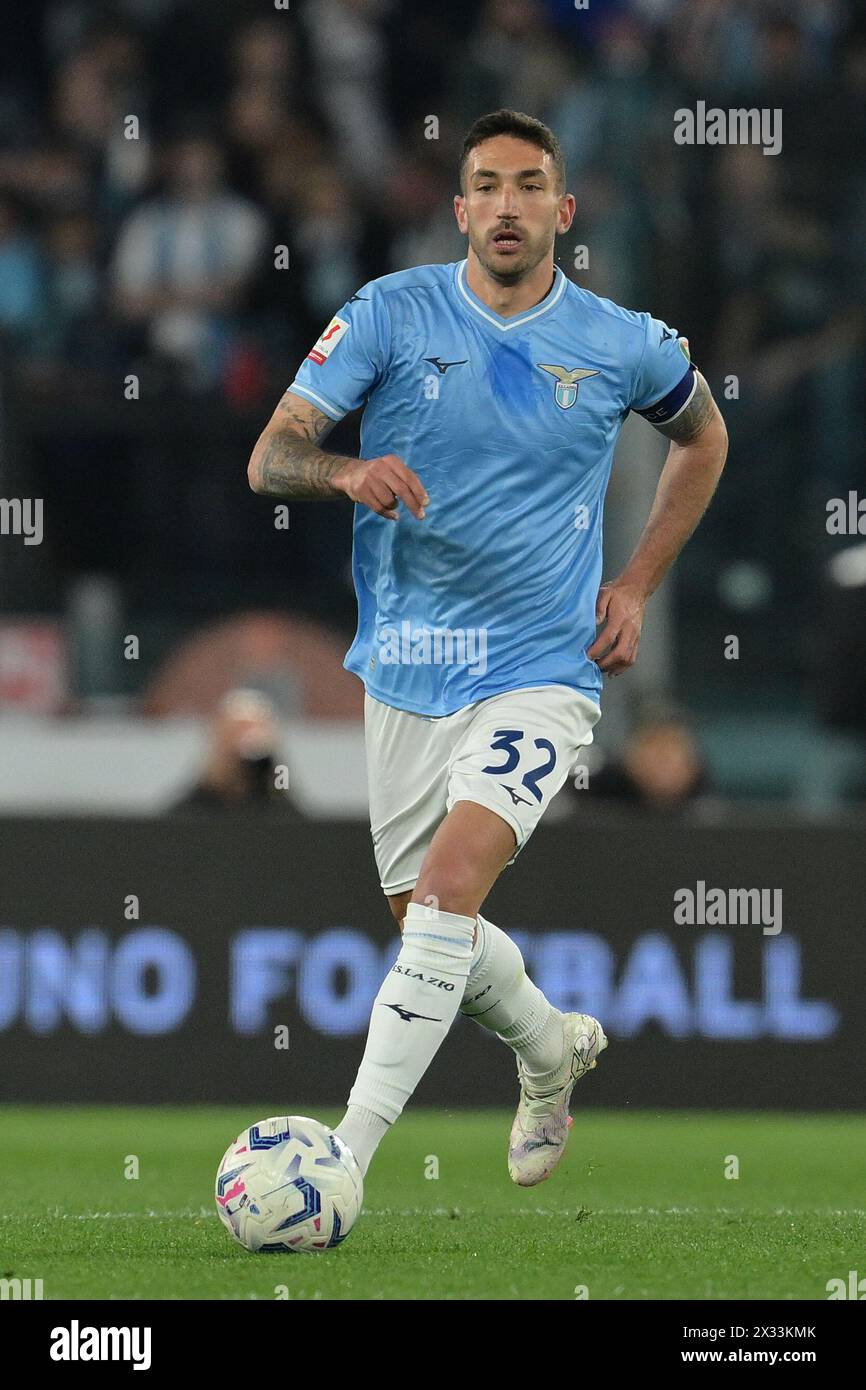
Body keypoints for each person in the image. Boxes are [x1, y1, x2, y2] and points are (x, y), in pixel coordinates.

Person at [247, 109, 728, 1187]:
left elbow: (703, 437)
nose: (505, 205)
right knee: (431, 930)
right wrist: (343, 474)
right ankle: (547, 1046)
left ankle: (342, 1160)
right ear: (456, 207)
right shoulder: (385, 313)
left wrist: (636, 581)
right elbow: (271, 454)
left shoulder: (619, 341)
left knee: (452, 888)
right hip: (405, 670)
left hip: (539, 669)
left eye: (526, 186)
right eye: (484, 185)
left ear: (560, 210)